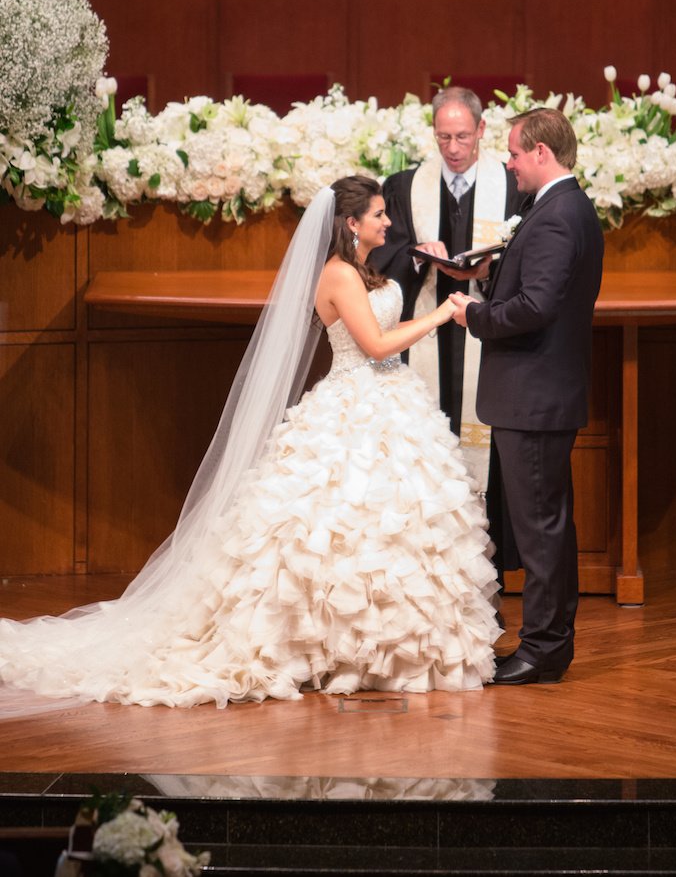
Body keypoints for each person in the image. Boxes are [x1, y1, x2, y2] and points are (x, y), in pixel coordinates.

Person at [0, 176, 499, 711]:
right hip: (358, 400)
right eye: (379, 215)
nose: (388, 224)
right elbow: (375, 346)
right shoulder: (337, 275)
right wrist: (444, 315)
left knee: (390, 529)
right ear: (352, 224)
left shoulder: (365, 271)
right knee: (335, 527)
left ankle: (378, 649)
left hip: (392, 403)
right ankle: (327, 644)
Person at [450, 109, 603, 686]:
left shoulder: (557, 216)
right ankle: (549, 641)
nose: (508, 164)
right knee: (548, 527)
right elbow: (543, 291)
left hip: (535, 397)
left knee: (540, 529)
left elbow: (537, 307)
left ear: (542, 153)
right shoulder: (561, 208)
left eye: (514, 153)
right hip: (541, 394)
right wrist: (493, 274)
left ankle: (543, 648)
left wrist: (477, 314)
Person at [372, 86, 525, 510]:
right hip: (427, 330)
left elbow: (528, 257)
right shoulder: (405, 188)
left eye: (462, 136)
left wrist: (489, 268)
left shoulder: (511, 186)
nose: (453, 148)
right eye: (444, 137)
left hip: (487, 330)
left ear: (481, 130)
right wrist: (419, 258)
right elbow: (383, 255)